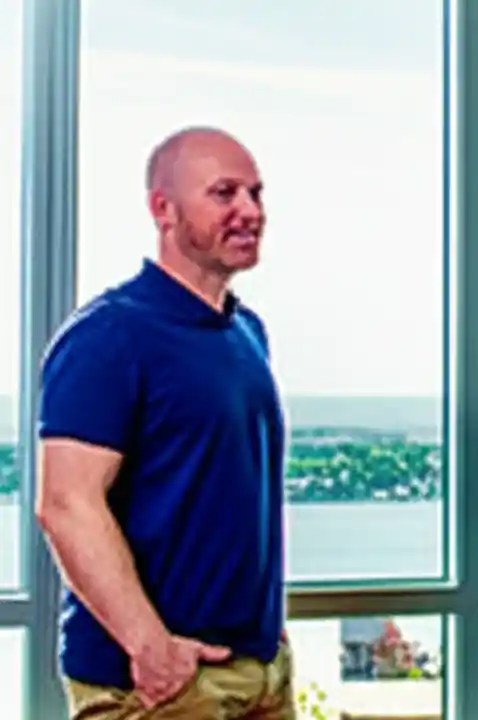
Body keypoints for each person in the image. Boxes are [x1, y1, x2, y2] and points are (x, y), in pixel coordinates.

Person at [35, 126, 294, 718]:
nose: (250, 211)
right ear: (163, 210)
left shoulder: (246, 332)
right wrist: (151, 648)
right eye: (225, 194)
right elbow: (66, 504)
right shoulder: (108, 335)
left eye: (256, 193)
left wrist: (266, 641)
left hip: (258, 673)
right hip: (157, 686)